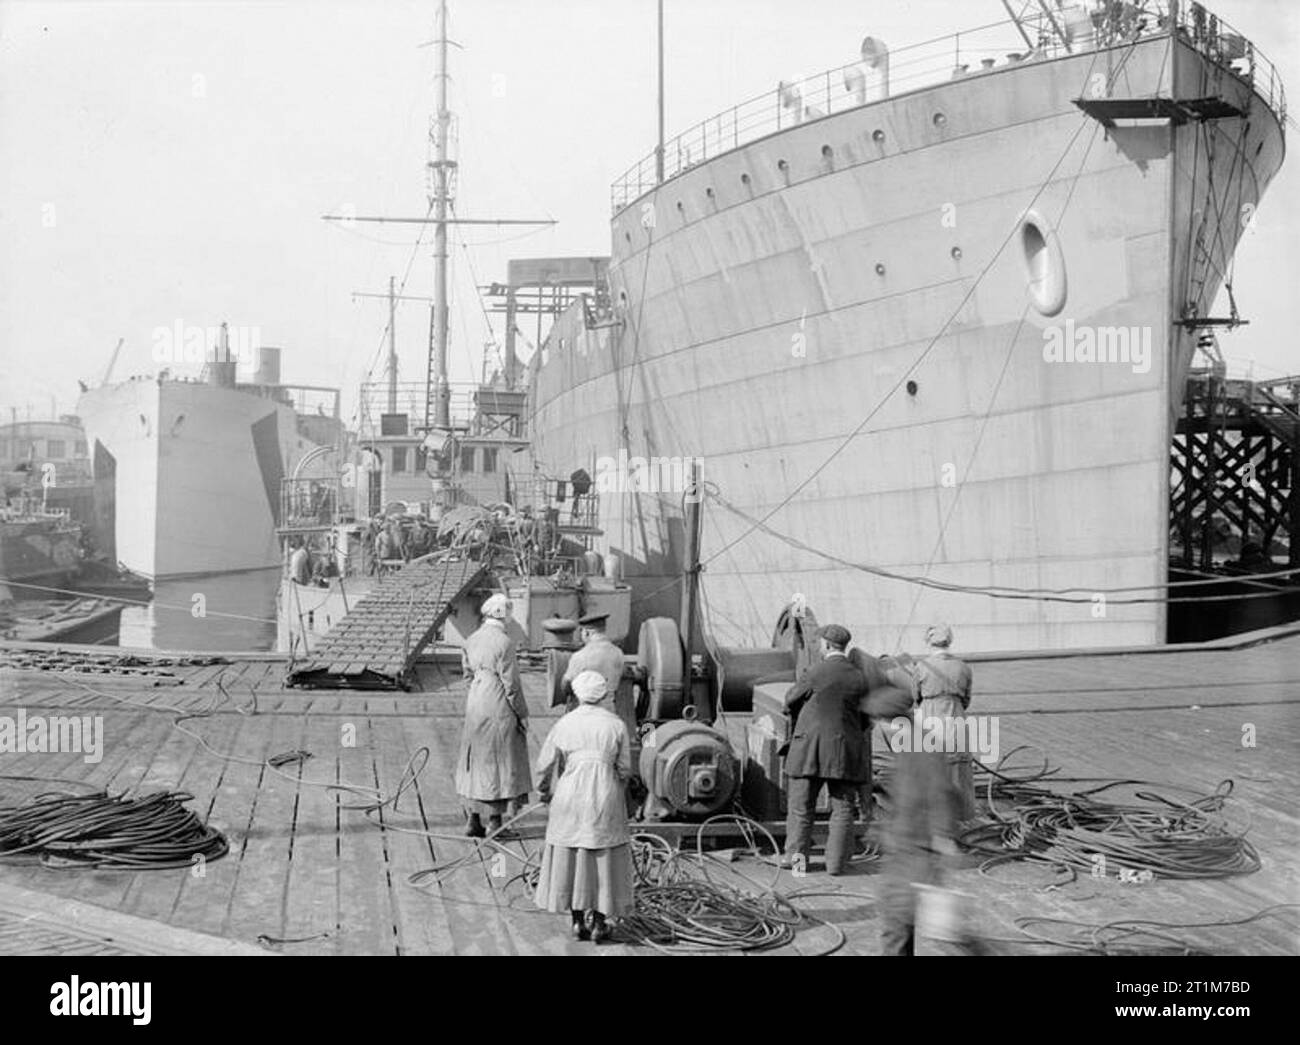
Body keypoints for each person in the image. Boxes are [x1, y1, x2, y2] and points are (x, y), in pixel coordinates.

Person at [534, 669, 635, 943]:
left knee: (573, 854)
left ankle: (578, 922)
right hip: (605, 793)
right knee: (602, 856)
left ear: (577, 694)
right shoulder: (616, 724)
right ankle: (600, 923)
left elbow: (544, 765)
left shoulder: (565, 723)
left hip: (569, 794)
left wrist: (544, 792)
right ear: (604, 695)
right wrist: (618, 789)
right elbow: (626, 768)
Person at [781, 623, 871, 876]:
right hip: (844, 752)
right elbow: (865, 719)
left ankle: (798, 865)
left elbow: (790, 700)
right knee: (843, 810)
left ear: (828, 645)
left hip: (809, 750)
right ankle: (836, 866)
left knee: (801, 809)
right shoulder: (859, 677)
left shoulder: (815, 672)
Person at [455, 593, 532, 839]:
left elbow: (467, 674)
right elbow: (512, 685)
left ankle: (473, 820)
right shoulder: (505, 643)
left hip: (476, 699)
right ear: (505, 615)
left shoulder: (471, 639)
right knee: (500, 759)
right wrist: (522, 714)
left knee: (474, 758)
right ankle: (495, 822)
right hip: (498, 701)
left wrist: (479, 689)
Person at [913, 623, 976, 822]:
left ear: (929, 642)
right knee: (958, 766)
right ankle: (961, 814)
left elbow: (915, 696)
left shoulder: (922, 667)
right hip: (955, 713)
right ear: (949, 641)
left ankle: (931, 813)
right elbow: (967, 699)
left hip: (929, 714)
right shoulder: (963, 667)